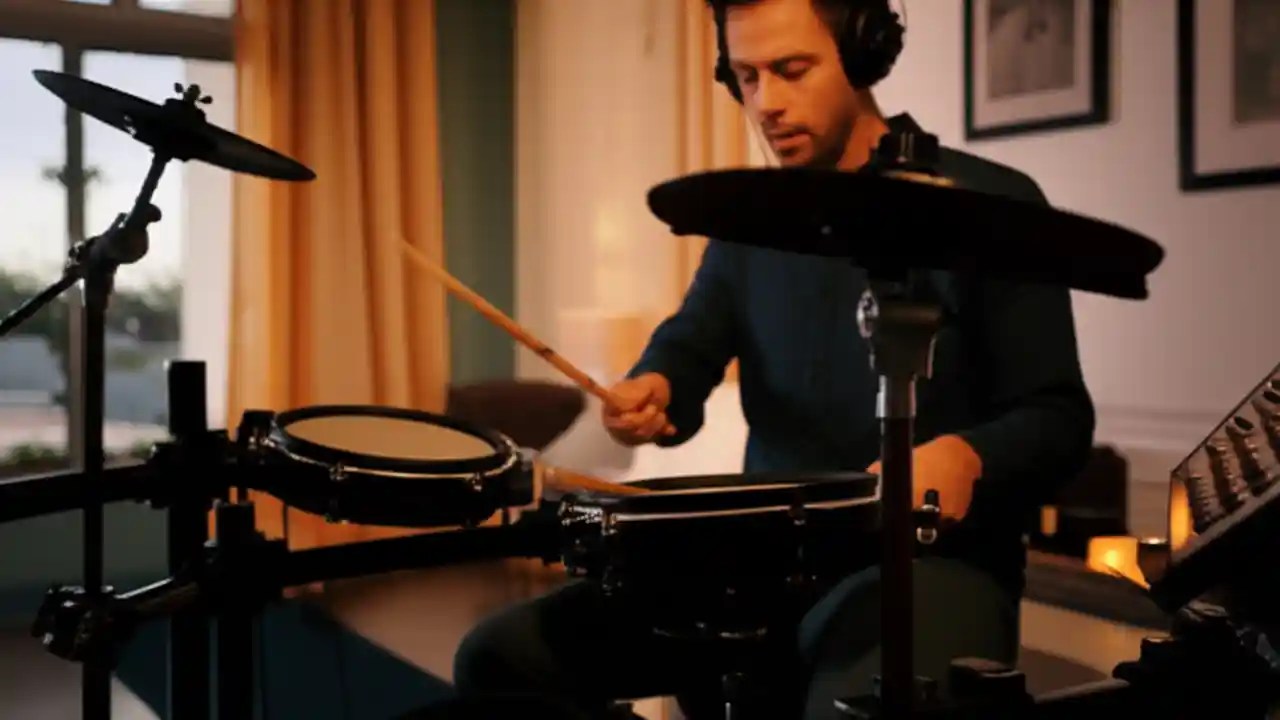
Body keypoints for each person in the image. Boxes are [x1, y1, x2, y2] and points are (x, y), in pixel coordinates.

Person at [452, 1, 1095, 718]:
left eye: (792, 71)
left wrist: (969, 457)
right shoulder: (749, 223)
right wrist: (658, 385)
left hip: (928, 566)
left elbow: (1058, 417)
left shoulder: (991, 205)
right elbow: (691, 341)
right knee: (499, 660)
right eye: (747, 77)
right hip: (762, 564)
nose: (767, 104)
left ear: (862, 52)